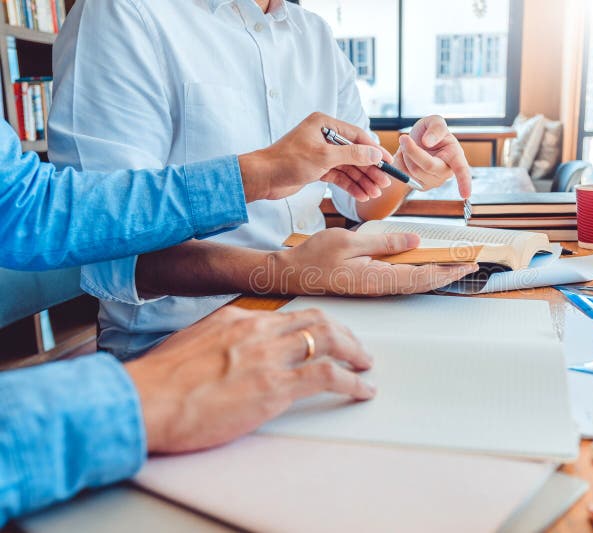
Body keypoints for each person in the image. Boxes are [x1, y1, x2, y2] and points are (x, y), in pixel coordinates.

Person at [0, 114, 475, 525]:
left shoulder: (315, 38)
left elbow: (25, 201)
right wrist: (131, 401)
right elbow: (81, 238)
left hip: (287, 316)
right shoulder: (123, 11)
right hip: (172, 350)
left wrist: (395, 167)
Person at [49, 0, 474, 359]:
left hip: (324, 306)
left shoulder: (317, 38)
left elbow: (360, 201)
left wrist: (405, 166)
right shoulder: (124, 13)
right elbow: (111, 251)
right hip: (181, 342)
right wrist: (284, 271)